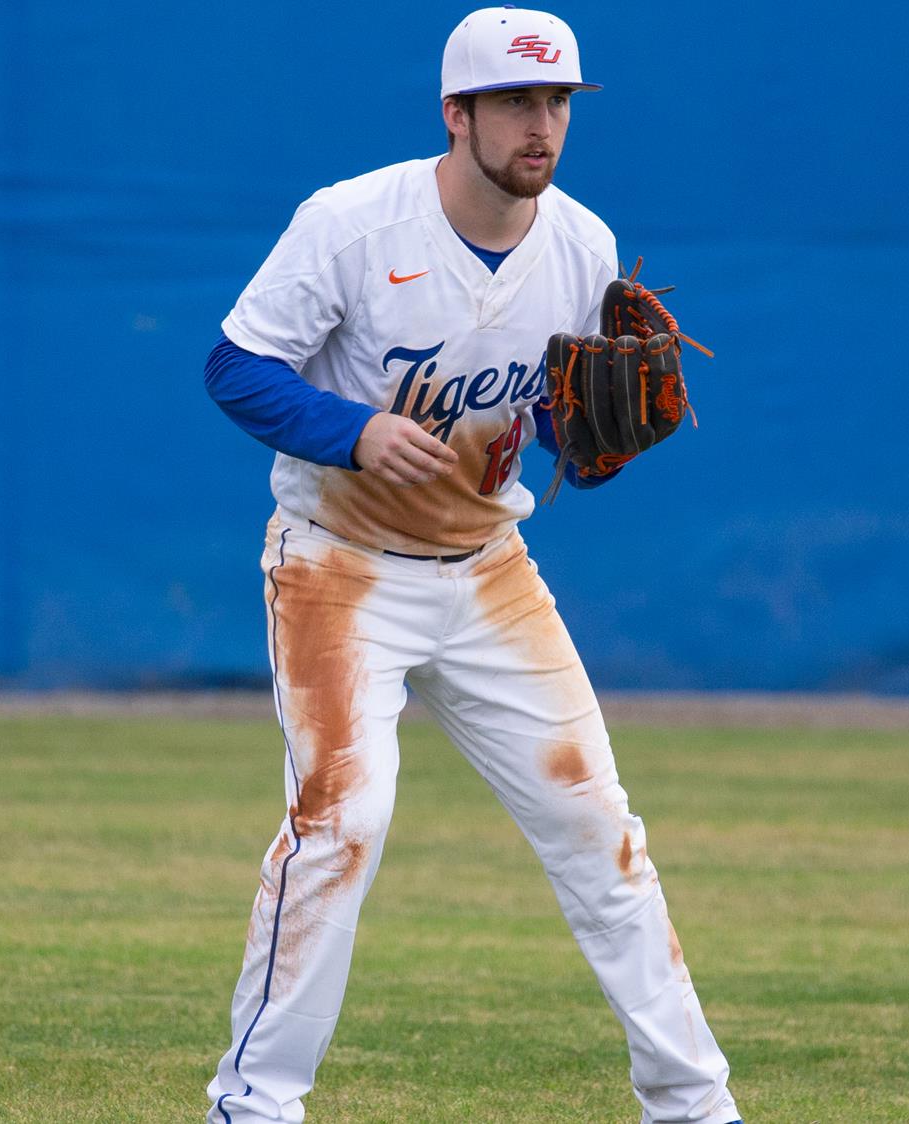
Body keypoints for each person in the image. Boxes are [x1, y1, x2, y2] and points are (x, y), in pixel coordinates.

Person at [200, 9, 741, 1123]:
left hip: (487, 566)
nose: (540, 126)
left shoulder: (581, 245)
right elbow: (235, 365)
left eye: (556, 104)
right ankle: (252, 1104)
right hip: (339, 564)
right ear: (457, 114)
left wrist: (596, 447)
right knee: (340, 825)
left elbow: (561, 436)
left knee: (601, 831)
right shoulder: (351, 225)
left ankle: (692, 1105)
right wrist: (346, 430)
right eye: (514, 103)